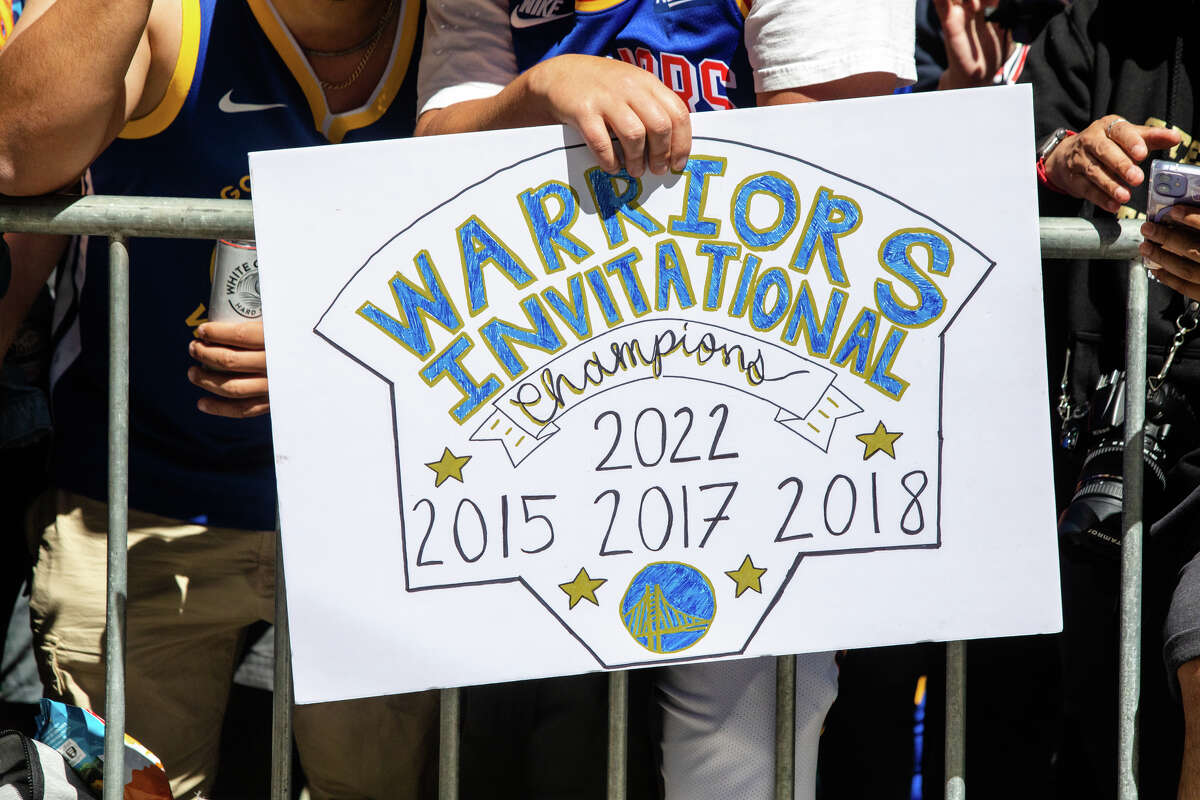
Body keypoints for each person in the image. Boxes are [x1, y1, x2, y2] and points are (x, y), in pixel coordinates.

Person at [414, 3, 915, 798]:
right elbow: (430, 162)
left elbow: (829, 161)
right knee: (551, 745)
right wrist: (543, 88)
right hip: (555, 418)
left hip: (759, 421)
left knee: (736, 756)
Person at [0, 1, 437, 797]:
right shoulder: (173, 18)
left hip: (379, 520)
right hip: (143, 506)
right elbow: (13, 153)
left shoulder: (463, 24)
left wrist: (334, 353)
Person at [1023, 0, 1200, 795]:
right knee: (1107, 733)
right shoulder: (1089, 29)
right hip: (1101, 443)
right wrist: (1064, 157)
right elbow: (999, 152)